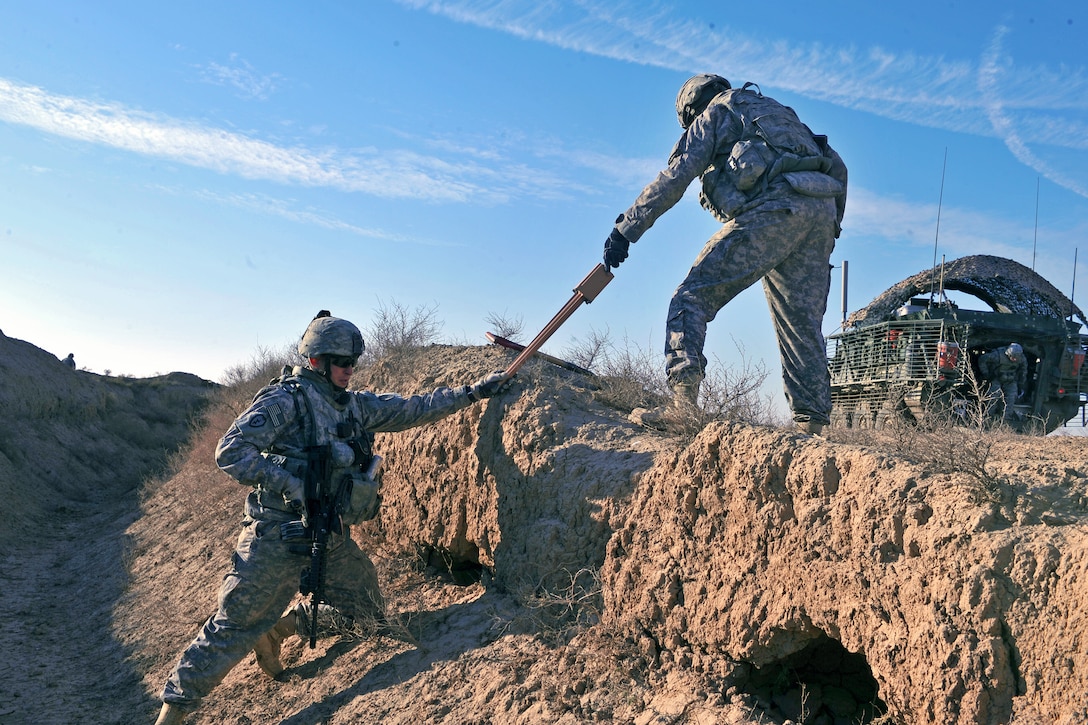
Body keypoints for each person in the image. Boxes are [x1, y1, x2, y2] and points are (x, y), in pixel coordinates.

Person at [154, 311, 516, 725]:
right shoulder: (285, 400)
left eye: (353, 363)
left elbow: (413, 409)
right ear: (316, 361)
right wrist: (290, 483)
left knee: (371, 614)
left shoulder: (353, 406)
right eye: (341, 363)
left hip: (329, 536)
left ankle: (283, 628)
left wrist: (474, 392)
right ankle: (173, 713)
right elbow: (229, 452)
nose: (349, 371)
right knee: (233, 626)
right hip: (277, 536)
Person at [602, 74, 847, 434]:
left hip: (776, 208)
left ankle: (682, 407)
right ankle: (811, 426)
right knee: (802, 325)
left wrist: (627, 229)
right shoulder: (779, 112)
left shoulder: (716, 113)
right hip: (820, 209)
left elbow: (676, 176)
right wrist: (829, 230)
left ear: (690, 109)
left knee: (691, 297)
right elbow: (837, 164)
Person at [978, 342, 1027, 421]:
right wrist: (986, 373)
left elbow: (1023, 371)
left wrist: (1021, 383)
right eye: (1013, 357)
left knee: (1011, 398)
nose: (1014, 359)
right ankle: (987, 418)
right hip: (996, 378)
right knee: (993, 396)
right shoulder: (997, 355)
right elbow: (982, 359)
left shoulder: (1022, 359)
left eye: (1016, 358)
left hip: (1011, 380)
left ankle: (1006, 420)